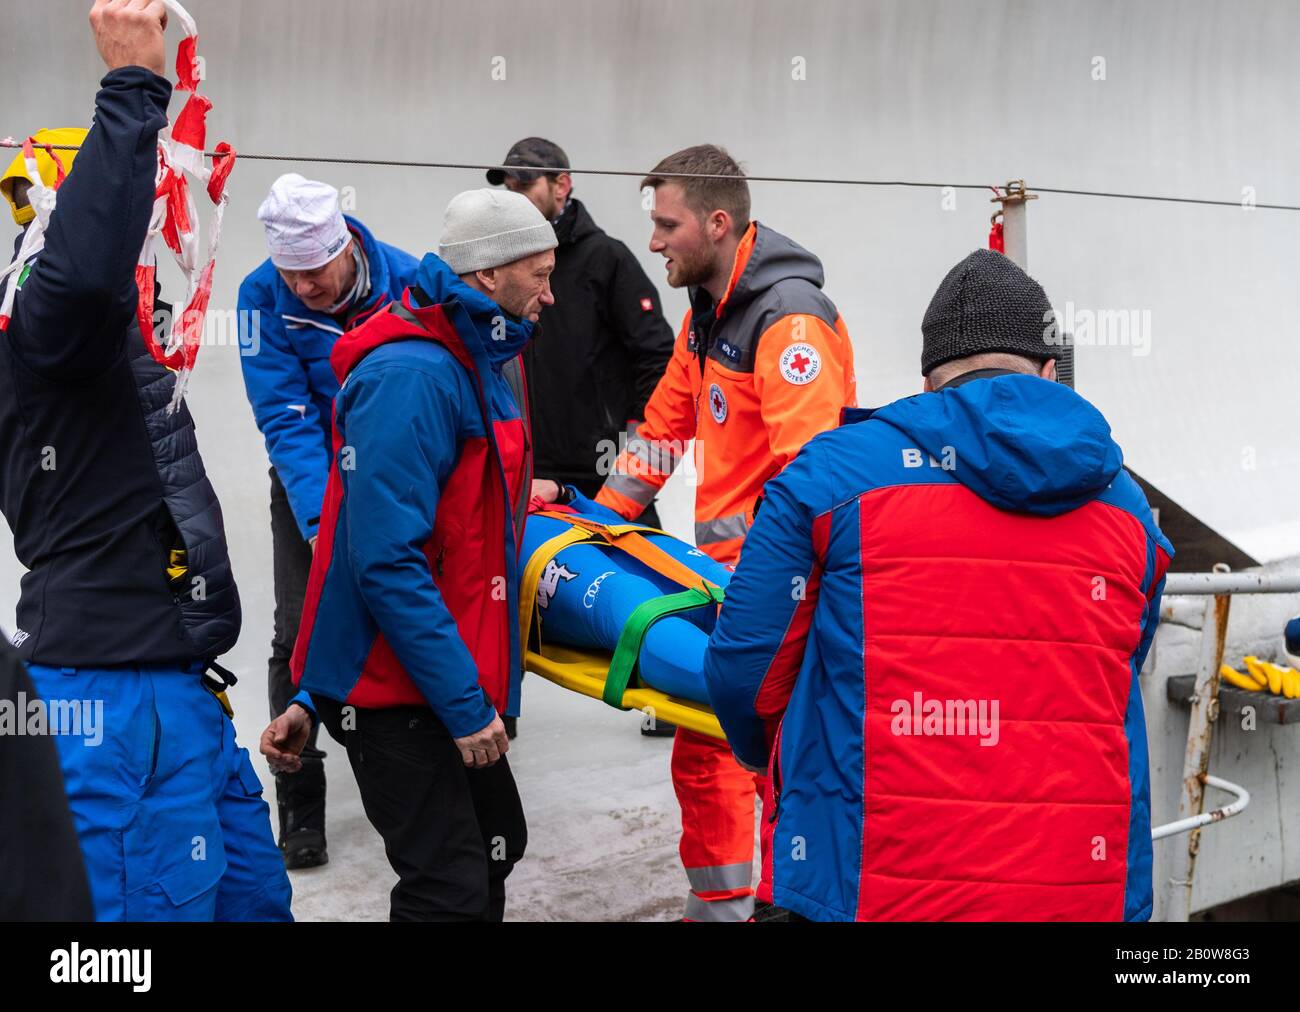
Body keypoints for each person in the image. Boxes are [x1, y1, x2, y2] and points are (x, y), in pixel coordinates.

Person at [704, 249, 1172, 922]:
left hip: (869, 890)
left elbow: (743, 670)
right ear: (1049, 372)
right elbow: (1121, 667)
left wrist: (770, 762)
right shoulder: (1130, 513)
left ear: (929, 381)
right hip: (1077, 893)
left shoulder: (830, 479)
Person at [0, 0, 290, 921]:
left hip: (178, 690)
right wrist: (132, 90)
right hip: (103, 704)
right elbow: (83, 267)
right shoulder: (48, 329)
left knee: (253, 904)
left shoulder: (123, 352)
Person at [260, 188, 556, 921]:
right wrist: (462, 705)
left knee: (496, 838)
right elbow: (381, 560)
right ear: (488, 275)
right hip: (398, 691)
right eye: (540, 275)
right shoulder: (412, 377)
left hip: (441, 666)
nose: (551, 294)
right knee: (446, 882)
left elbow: (458, 519)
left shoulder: (479, 350)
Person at [594, 144, 857, 921]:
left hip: (773, 587)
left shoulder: (788, 322)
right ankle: (729, 906)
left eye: (666, 224)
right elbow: (664, 429)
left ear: (715, 223)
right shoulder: (710, 316)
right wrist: (595, 526)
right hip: (726, 578)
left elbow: (808, 480)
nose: (654, 242)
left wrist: (763, 590)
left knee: (749, 754)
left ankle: (760, 907)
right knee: (705, 749)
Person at [238, 173, 419, 868]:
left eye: (314, 274)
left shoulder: (406, 279)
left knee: (407, 608)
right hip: (310, 477)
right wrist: (321, 524)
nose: (305, 289)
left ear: (343, 247)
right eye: (293, 277)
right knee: (298, 630)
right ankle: (300, 801)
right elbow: (285, 417)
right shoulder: (261, 296)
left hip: (395, 471)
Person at [488, 137, 673, 521]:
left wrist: (634, 443)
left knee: (639, 578)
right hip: (527, 476)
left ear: (562, 186)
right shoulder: (499, 265)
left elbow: (656, 354)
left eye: (524, 186)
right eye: (509, 189)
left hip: (603, 476)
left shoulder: (607, 258)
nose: (514, 197)